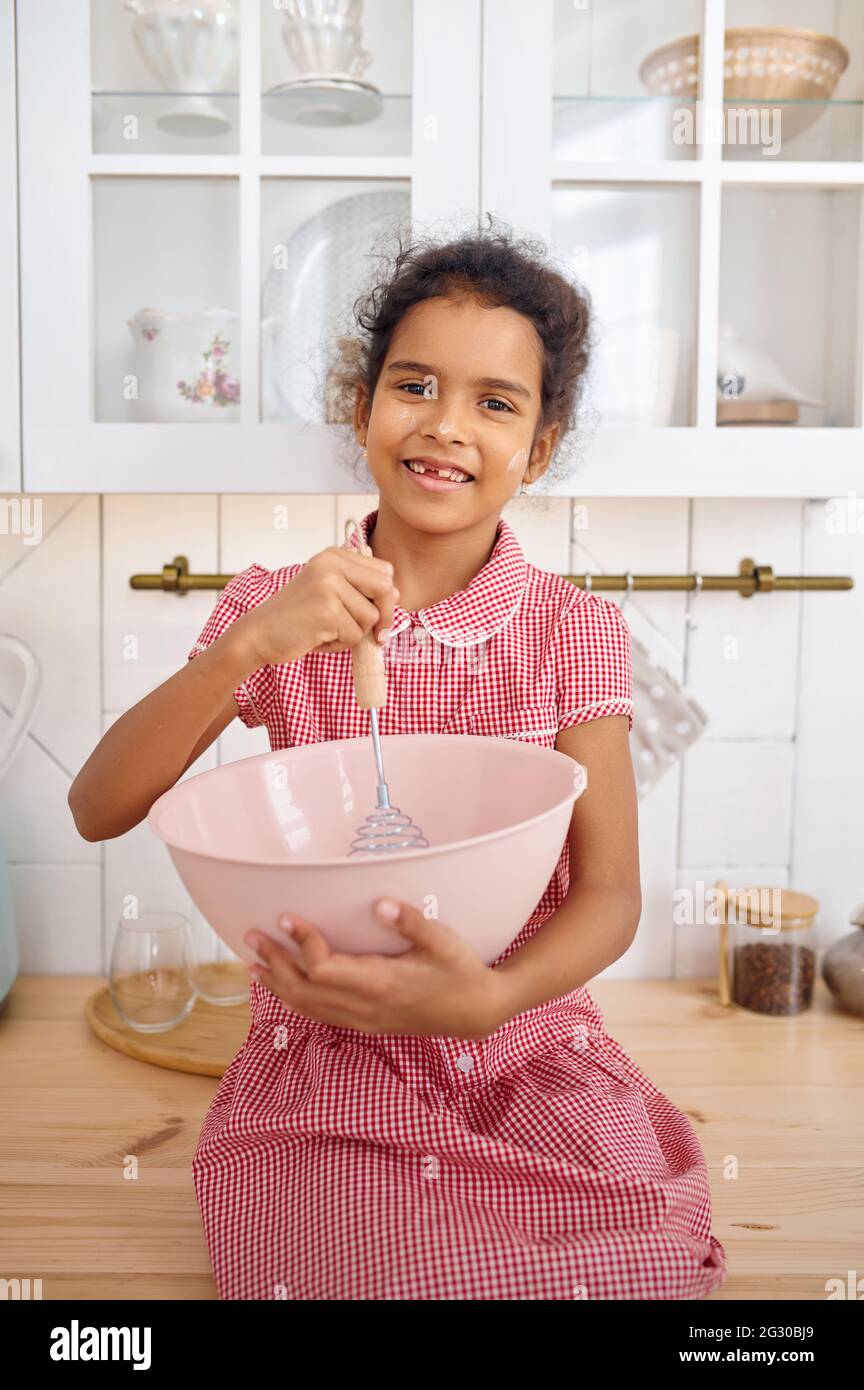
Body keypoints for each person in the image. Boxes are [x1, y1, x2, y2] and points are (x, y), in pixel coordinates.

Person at [69, 221, 728, 1301]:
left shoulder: (572, 630)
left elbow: (610, 895)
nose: (447, 427)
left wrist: (490, 997)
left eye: (495, 402)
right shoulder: (274, 608)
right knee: (375, 1271)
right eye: (415, 384)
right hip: (330, 1059)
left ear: (540, 448)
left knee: (641, 1254)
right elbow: (99, 805)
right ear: (362, 405)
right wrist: (249, 644)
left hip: (521, 1037)